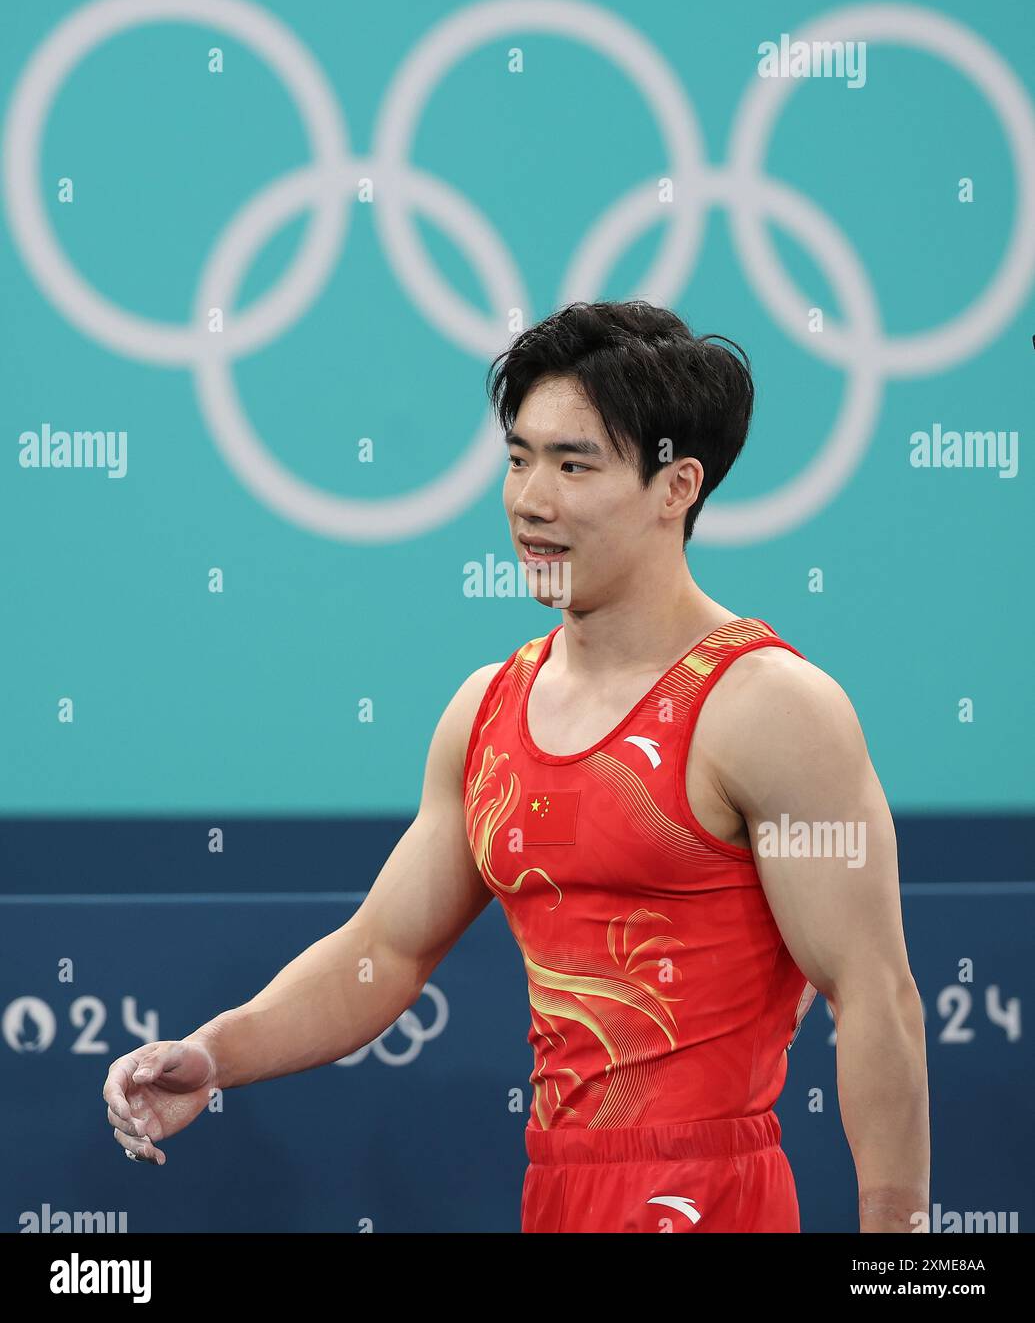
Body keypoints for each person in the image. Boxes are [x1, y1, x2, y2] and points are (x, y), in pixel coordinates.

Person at [103, 300, 929, 1233]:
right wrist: (214, 1056)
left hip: (707, 1197)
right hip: (554, 1191)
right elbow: (384, 952)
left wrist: (898, 1255)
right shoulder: (486, 708)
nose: (530, 500)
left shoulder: (770, 708)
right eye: (518, 457)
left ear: (676, 486)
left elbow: (874, 995)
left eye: (574, 464)